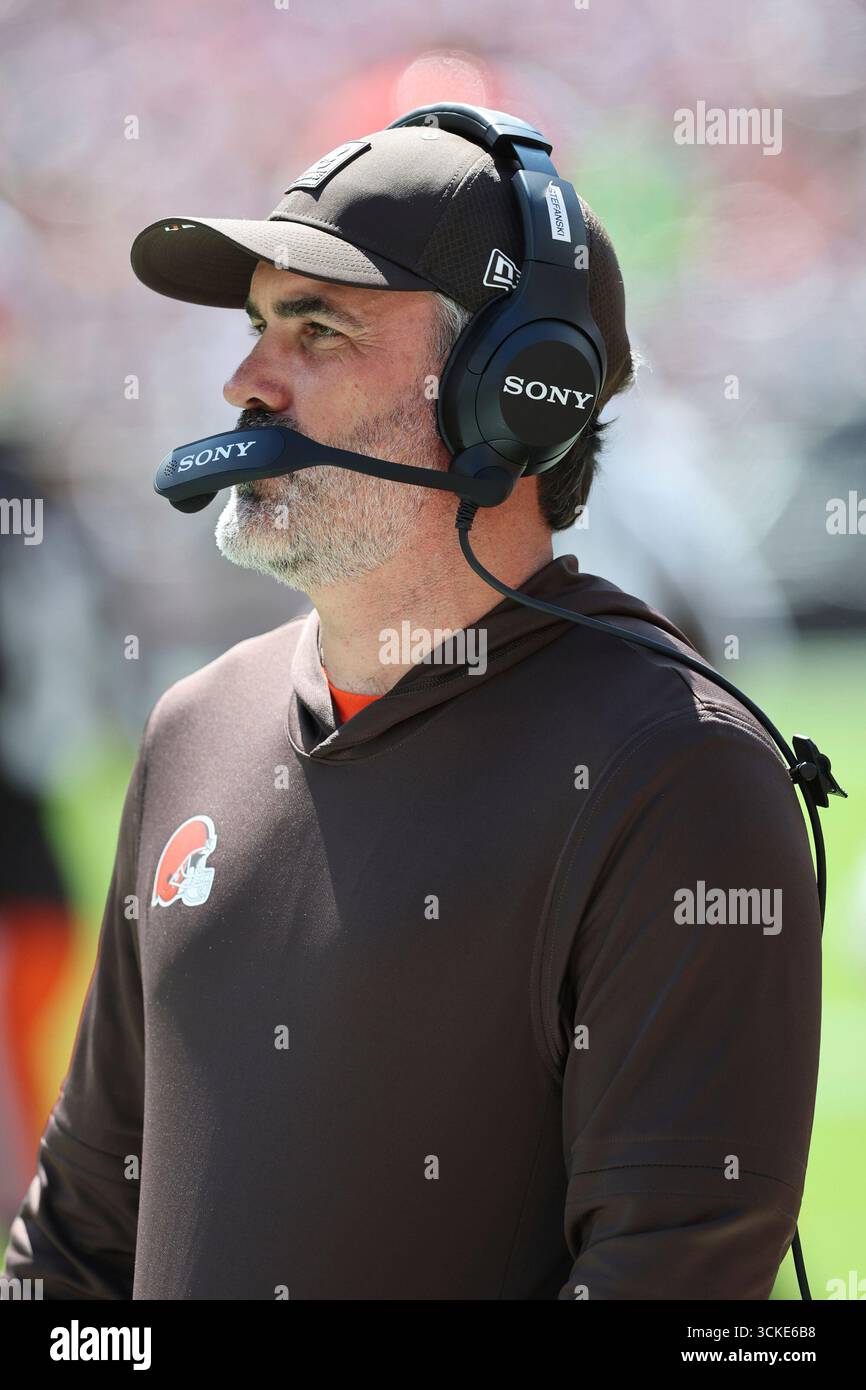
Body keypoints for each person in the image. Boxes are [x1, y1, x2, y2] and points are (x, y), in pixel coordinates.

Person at [3, 115, 820, 1300]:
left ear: (515, 399)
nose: (244, 380)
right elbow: (78, 1234)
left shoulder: (675, 772)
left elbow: (666, 1284)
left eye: (317, 329)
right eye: (254, 326)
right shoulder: (194, 726)